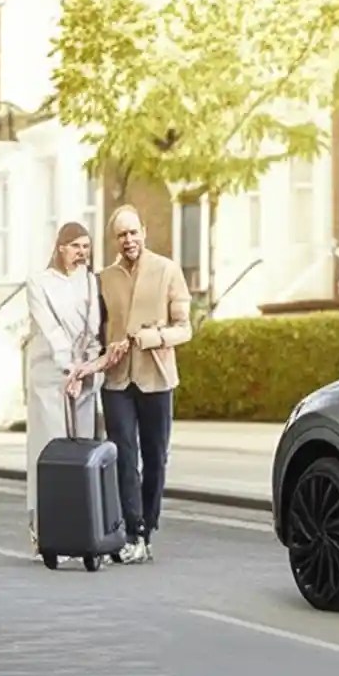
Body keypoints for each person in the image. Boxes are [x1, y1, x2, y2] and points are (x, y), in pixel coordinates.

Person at [68, 204, 193, 564]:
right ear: (115, 240)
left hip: (156, 377)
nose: (129, 240)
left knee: (155, 457)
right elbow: (96, 330)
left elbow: (185, 329)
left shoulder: (167, 270)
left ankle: (147, 531)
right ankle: (130, 531)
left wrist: (150, 337)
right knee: (123, 455)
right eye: (121, 235)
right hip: (117, 380)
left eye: (133, 232)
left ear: (143, 232)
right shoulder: (104, 278)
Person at [24, 222, 103, 557]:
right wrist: (66, 367)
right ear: (60, 247)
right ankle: (44, 530)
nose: (81, 253)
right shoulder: (37, 283)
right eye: (75, 247)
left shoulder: (89, 281)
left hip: (82, 380)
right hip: (48, 379)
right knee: (48, 452)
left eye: (86, 247)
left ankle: (77, 529)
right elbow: (51, 329)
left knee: (81, 454)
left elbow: (93, 328)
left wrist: (86, 370)